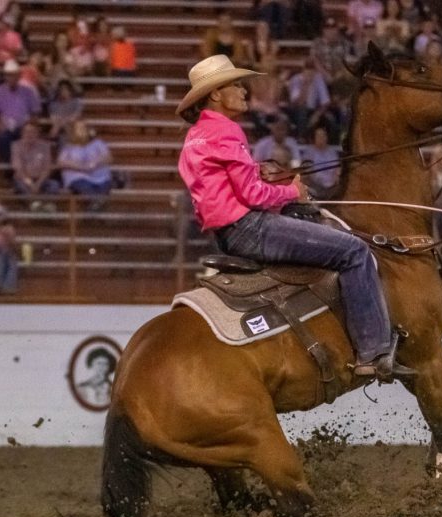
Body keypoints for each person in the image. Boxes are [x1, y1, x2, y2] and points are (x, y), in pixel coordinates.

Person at [176, 54, 414, 380]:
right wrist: (292, 193)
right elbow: (253, 196)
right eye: (236, 85)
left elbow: (229, 189)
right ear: (216, 94)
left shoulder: (196, 136)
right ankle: (373, 353)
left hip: (226, 233)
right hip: (250, 228)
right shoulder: (227, 131)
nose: (245, 91)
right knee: (354, 252)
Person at [0, 59, 41, 162]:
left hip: (24, 127)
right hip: (5, 128)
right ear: (5, 76)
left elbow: (35, 112)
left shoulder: (28, 92)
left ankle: (24, 165)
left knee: (28, 136)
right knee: (3, 138)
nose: (11, 78)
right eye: (8, 75)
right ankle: (10, 166)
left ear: (18, 76)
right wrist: (1, 127)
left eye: (13, 75)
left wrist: (29, 126)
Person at [58, 120, 113, 201]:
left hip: (99, 176)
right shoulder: (68, 146)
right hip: (78, 176)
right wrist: (81, 167)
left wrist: (95, 163)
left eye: (84, 128)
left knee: (105, 186)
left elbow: (109, 158)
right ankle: (97, 203)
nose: (82, 131)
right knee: (85, 187)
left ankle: (96, 204)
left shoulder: (98, 143)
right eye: (79, 128)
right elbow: (60, 162)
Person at [11, 121, 59, 204]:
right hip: (24, 179)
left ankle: (39, 203)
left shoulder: (45, 146)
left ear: (37, 133)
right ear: (22, 133)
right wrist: (31, 184)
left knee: (54, 185)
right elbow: (18, 169)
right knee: (20, 186)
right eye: (26, 131)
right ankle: (37, 204)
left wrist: (38, 184)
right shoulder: (16, 146)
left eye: (32, 131)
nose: (29, 134)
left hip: (41, 178)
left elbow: (47, 168)